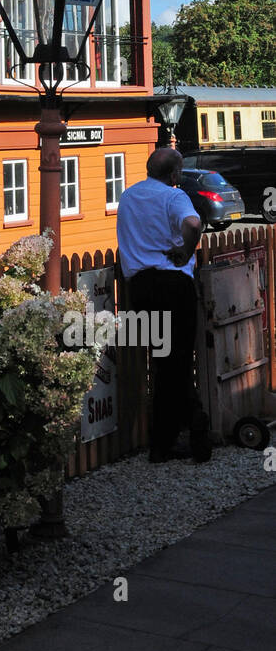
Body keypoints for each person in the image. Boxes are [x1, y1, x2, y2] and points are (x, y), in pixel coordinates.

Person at [116, 147, 212, 463]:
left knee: (162, 359)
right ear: (173, 175)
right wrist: (185, 252)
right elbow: (193, 225)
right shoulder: (175, 196)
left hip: (141, 287)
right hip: (173, 285)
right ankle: (191, 427)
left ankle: (166, 441)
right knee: (179, 360)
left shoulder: (128, 196)